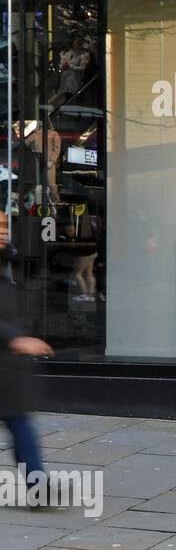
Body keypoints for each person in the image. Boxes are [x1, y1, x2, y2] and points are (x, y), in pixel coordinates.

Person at [0, 212, 53, 508]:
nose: (3, 232)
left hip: (10, 365)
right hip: (9, 351)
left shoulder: (9, 261)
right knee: (20, 425)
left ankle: (38, 488)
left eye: (5, 226)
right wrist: (14, 338)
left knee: (20, 425)